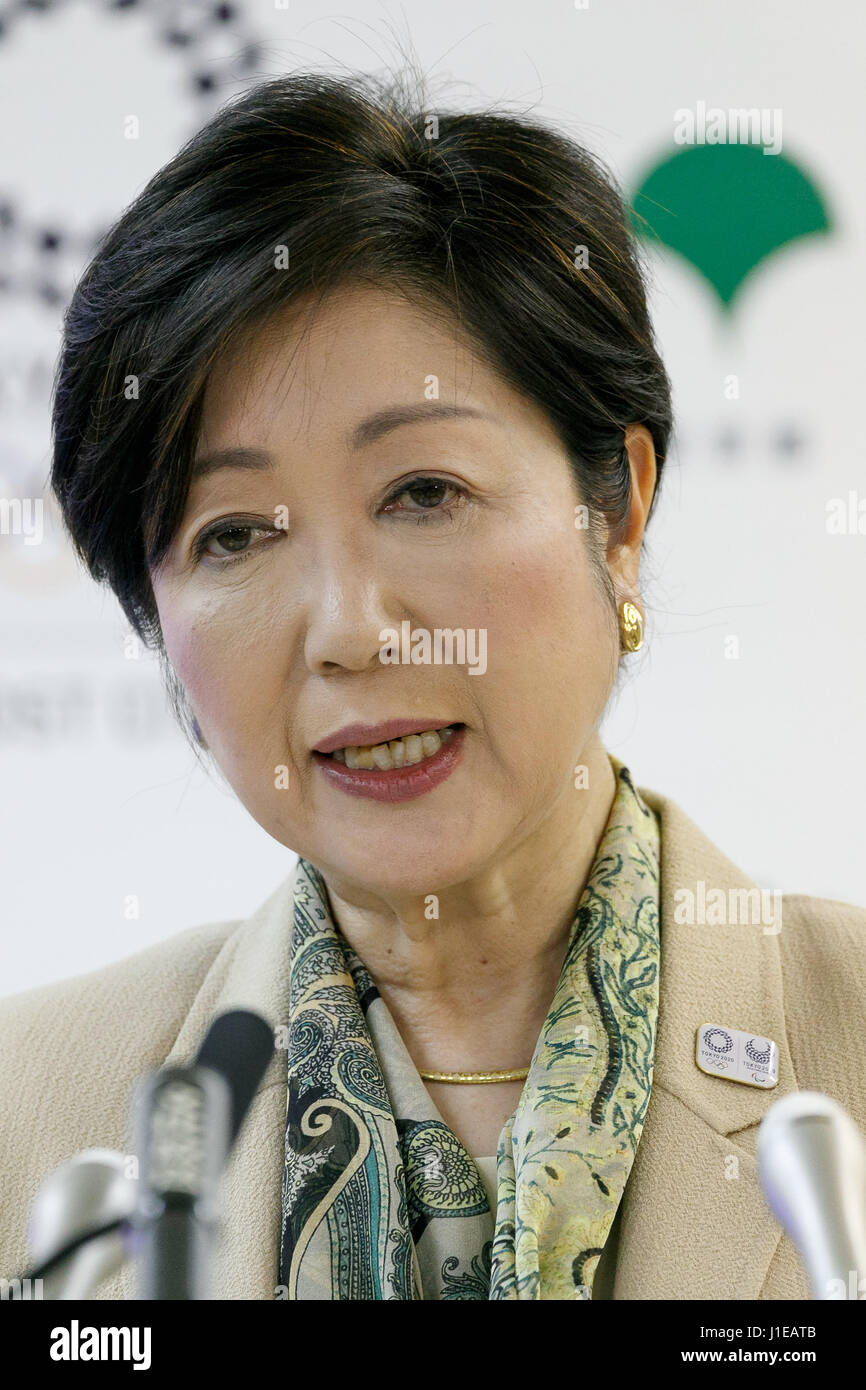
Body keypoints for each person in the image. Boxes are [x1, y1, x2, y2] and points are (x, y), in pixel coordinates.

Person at [2, 70, 864, 1301]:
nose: (353, 632)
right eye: (235, 534)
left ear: (613, 514)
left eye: (423, 493)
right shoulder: (31, 1124)